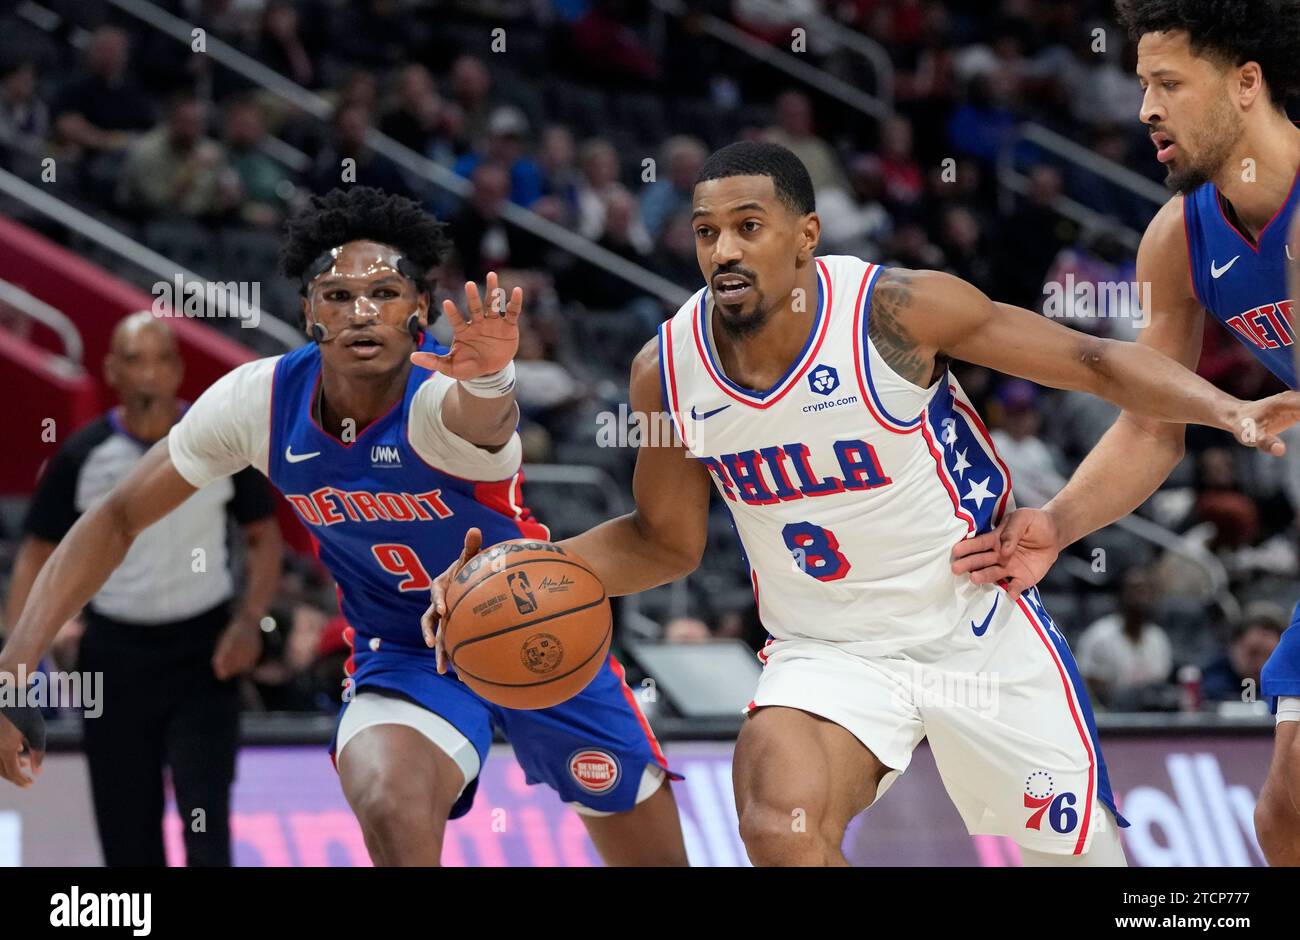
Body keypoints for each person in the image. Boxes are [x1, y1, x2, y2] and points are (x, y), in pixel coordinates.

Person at [422, 141, 1300, 867]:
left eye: (747, 227)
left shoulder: (897, 311)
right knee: (777, 827)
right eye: (704, 233)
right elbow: (665, 542)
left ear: (804, 235)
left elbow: (1095, 362)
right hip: (827, 650)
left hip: (975, 625)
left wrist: (1228, 408)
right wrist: (519, 571)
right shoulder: (667, 369)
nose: (723, 251)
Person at [0, 187, 686, 867]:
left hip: (534, 626)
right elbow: (117, 516)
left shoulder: (442, 402)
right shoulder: (258, 402)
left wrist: (490, 383)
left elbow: (485, 422)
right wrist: (13, 670)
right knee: (390, 801)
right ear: (308, 312)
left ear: (420, 310)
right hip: (407, 653)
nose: (362, 311)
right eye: (336, 295)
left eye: (386, 293)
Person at [950, 0, 1300, 867]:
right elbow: (1151, 424)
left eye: (1169, 84)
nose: (1145, 107)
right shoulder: (1177, 241)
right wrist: (1058, 526)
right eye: (1144, 84)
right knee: (1285, 814)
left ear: (1246, 83)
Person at [2, 311, 282, 865]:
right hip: (113, 657)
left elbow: (264, 538)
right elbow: (37, 553)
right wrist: (30, 651)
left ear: (179, 369)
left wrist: (249, 620)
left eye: (160, 359)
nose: (149, 374)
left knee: (207, 832)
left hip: (203, 656)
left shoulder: (218, 443)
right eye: (134, 360)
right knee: (127, 838)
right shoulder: (83, 454)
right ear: (111, 371)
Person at [1074, 567, 1173, 709]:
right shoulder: (1099, 636)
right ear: (1120, 595)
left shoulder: (1158, 638)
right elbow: (1089, 686)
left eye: (1147, 591)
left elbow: (1160, 686)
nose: (1142, 597)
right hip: (1111, 720)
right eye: (1136, 590)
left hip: (1151, 719)